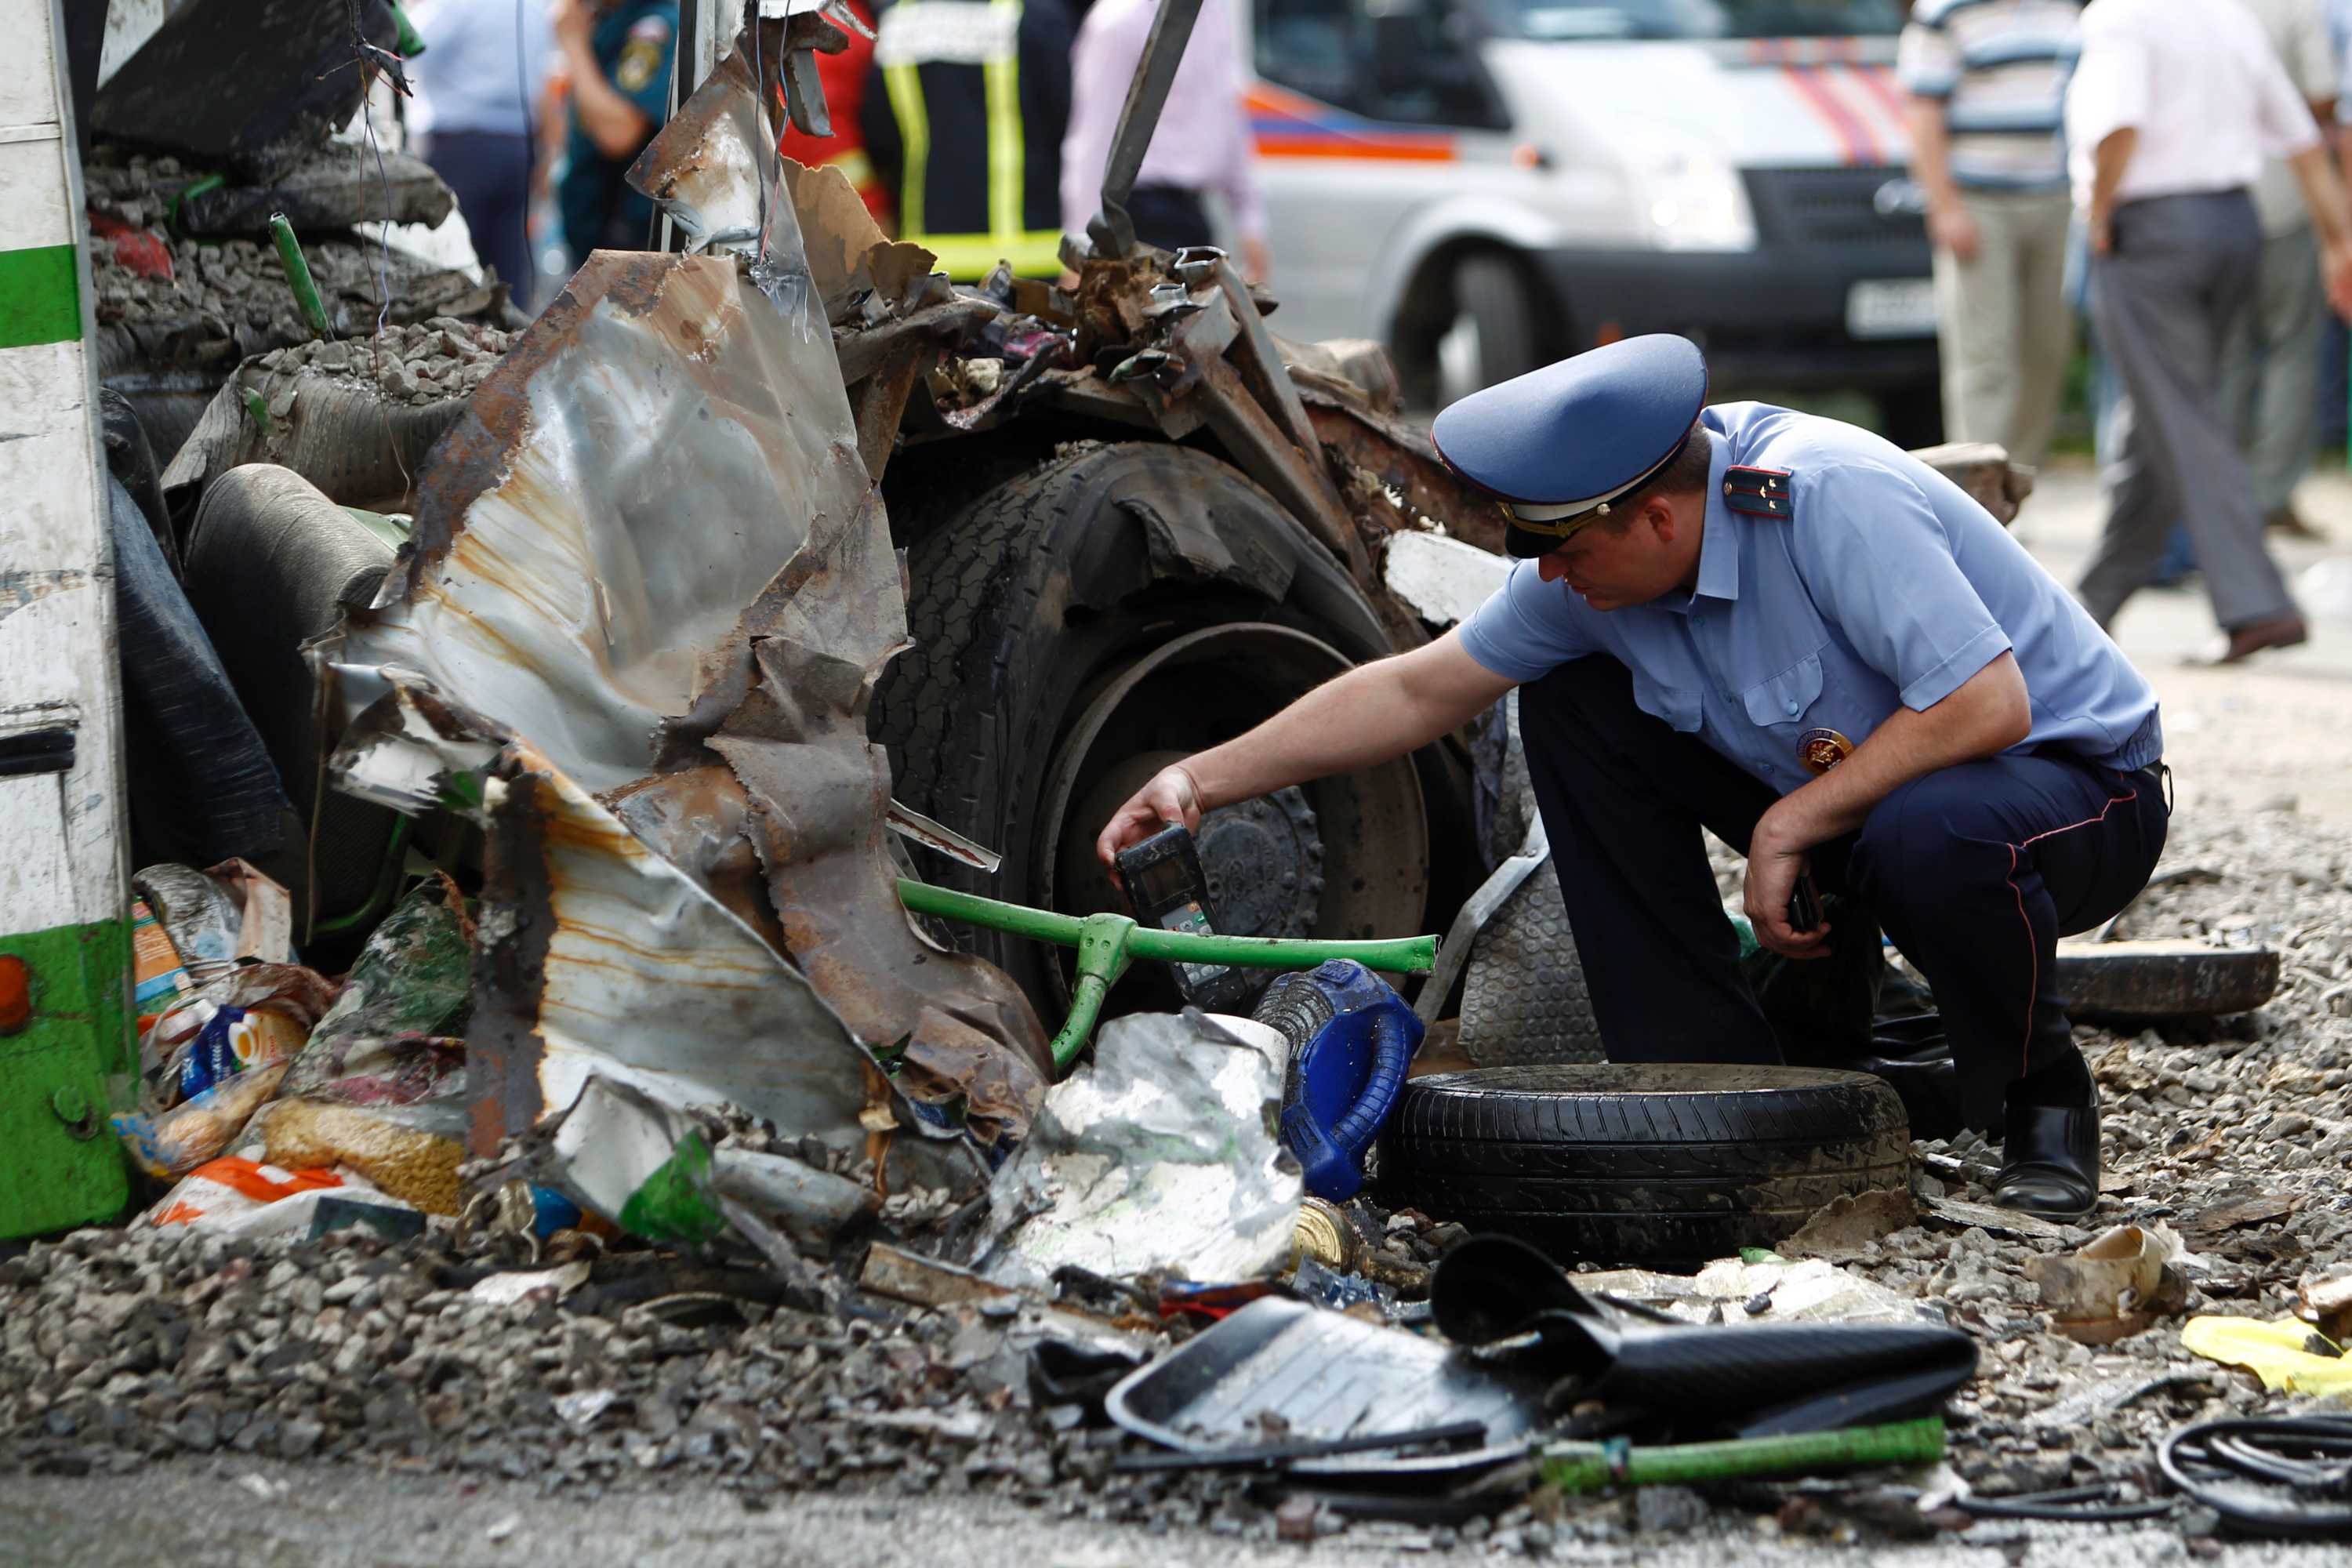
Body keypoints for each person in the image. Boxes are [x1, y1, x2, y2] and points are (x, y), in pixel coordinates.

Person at [1098, 336, 2170, 1221]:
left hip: (2073, 791)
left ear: (1656, 518)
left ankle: (2044, 1103)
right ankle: (1716, 1088)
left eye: (1568, 553)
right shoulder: (1596, 567)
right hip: (1870, 799)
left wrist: (1789, 825)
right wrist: (1200, 781)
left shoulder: (1824, 497)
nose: (1550, 576)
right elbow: (1419, 690)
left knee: (1931, 834)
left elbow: (1987, 706)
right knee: (1571, 702)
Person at [2067, 0, 2352, 660]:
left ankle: (2259, 604)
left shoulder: (2122, 16)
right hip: (2233, 224)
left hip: (2151, 229)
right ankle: (2091, 605)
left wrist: (2099, 212)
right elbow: (2304, 137)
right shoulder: (2227, 14)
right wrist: (2338, 240)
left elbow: (2118, 124)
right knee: (2161, 411)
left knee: (2180, 410)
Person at [1899, 0, 2082, 469]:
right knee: (1986, 359)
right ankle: (1977, 486)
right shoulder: (1946, 11)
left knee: (2048, 349)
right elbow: (1922, 112)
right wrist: (1944, 206)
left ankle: (2019, 476)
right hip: (1979, 202)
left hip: (2058, 199)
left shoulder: (2065, 8)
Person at [860, 0, 1075, 280]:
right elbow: (1073, 126)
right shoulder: (1034, 16)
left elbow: (880, 136)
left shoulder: (896, 23)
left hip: (925, 271)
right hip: (1029, 270)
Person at [1059, 0, 1267, 281]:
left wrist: (1250, 221)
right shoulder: (1119, 21)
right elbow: (1093, 140)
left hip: (1191, 214)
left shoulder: (1210, 13)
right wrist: (1081, 254)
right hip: (1139, 218)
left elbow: (1227, 114)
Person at [408, 0, 554, 310]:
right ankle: (514, 334)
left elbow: (408, 45)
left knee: (448, 258)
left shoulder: (458, 5)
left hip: (461, 146)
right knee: (508, 265)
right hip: (517, 145)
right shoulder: (535, 8)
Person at [550, 0, 678, 262]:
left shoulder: (653, 25)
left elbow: (618, 134)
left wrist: (573, 43)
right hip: (595, 237)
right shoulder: (607, 21)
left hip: (627, 245)